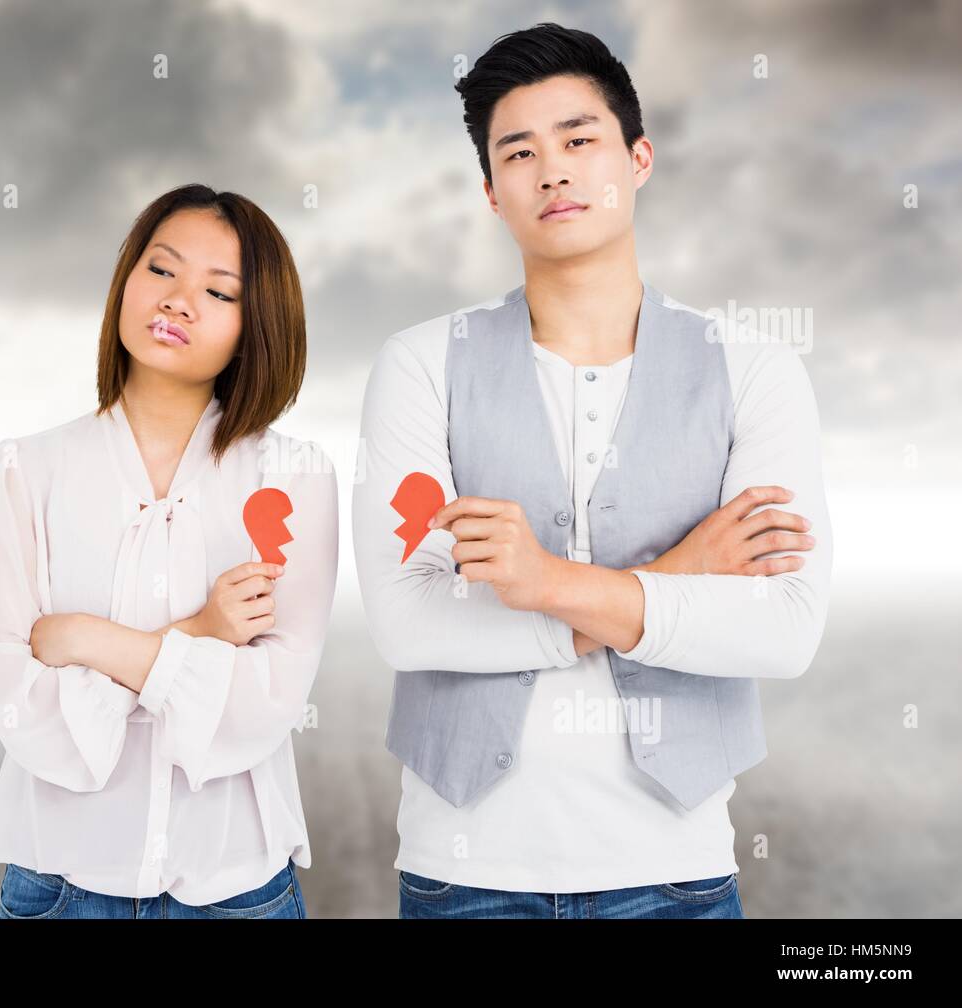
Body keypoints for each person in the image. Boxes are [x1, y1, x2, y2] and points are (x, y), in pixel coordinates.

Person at [352, 23, 832, 919]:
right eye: (520, 152)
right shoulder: (421, 365)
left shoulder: (755, 369)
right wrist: (679, 574)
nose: (555, 171)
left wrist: (544, 585)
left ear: (638, 157)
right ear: (492, 193)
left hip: (676, 872)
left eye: (580, 140)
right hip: (467, 874)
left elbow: (785, 629)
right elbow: (409, 622)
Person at [0, 184, 337, 918]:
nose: (178, 300)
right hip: (58, 891)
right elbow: (21, 707)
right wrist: (196, 635)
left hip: (238, 892)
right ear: (127, 279)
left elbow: (263, 705)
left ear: (256, 324)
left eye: (218, 291)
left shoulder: (293, 477)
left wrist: (82, 640)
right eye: (161, 270)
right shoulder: (20, 471)